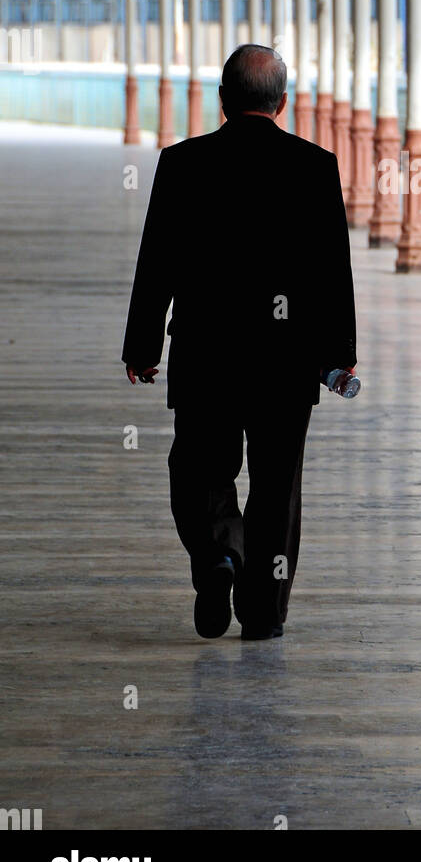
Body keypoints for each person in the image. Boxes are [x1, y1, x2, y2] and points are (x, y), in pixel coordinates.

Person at [122, 45, 357, 640]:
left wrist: (143, 346)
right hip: (286, 360)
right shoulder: (314, 166)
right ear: (283, 103)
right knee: (277, 484)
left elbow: (156, 264)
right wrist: (338, 353)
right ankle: (262, 612)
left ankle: (218, 555)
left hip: (206, 354)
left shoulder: (182, 164)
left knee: (200, 469)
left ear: (223, 101)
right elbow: (333, 270)